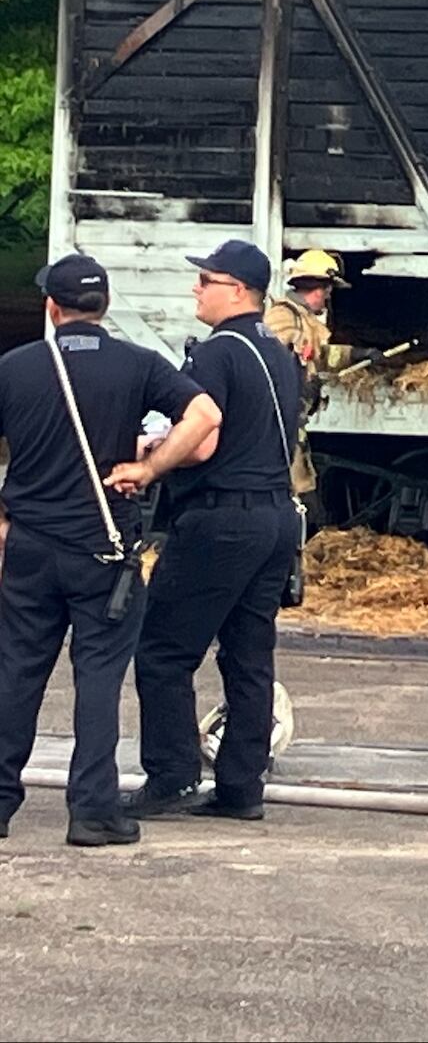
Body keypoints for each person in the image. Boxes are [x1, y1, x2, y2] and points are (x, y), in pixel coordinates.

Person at [0, 254, 220, 846]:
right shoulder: (138, 364)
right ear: (105, 307)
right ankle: (92, 811)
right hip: (104, 548)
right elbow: (205, 414)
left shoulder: (16, 367)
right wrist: (150, 469)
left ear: (52, 307)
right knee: (98, 678)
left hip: (29, 545)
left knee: (16, 671)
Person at [124, 238, 306, 825]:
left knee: (162, 648)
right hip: (276, 516)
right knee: (249, 654)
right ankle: (240, 786)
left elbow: (203, 441)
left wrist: (152, 457)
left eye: (206, 280)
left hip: (222, 517)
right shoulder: (279, 351)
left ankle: (173, 777)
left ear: (237, 290)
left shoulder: (215, 354)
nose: (195, 289)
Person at [264, 248, 351, 507]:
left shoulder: (303, 321)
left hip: (293, 426)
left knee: (300, 491)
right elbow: (269, 364)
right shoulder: (283, 316)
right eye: (328, 290)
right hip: (277, 429)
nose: (327, 297)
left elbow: (320, 355)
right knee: (288, 495)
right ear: (316, 287)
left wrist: (358, 354)